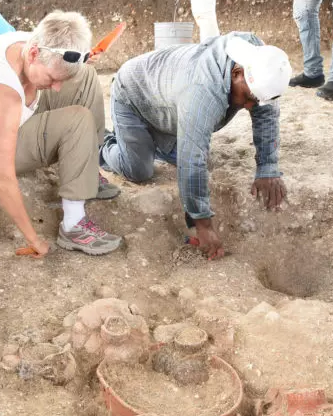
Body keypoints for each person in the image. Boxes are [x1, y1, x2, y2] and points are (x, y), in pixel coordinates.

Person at [0, 11, 123, 257]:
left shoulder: (36, 44)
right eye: (52, 79)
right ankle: (74, 225)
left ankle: (87, 170)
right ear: (34, 54)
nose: (57, 87)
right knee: (77, 119)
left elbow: (63, 70)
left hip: (13, 111)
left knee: (85, 76)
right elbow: (1, 177)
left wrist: (79, 62)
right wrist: (33, 239)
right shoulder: (4, 91)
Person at [100, 33, 290, 260]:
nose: (250, 106)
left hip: (169, 101)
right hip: (134, 94)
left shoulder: (260, 61)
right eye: (248, 98)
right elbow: (193, 160)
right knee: (138, 170)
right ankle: (101, 142)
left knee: (188, 152)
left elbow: (266, 112)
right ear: (236, 73)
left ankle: (150, 141)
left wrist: (268, 167)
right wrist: (202, 224)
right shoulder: (203, 91)